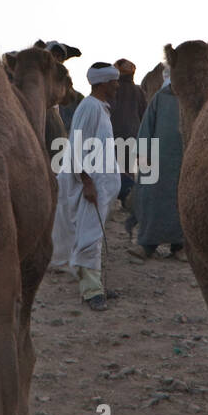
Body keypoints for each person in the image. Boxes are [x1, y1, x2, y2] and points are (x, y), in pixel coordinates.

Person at [50, 63, 121, 310]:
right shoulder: (89, 107)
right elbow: (76, 146)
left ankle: (96, 284)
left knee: (93, 233)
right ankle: (91, 292)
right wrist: (87, 182)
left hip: (99, 184)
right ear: (102, 83)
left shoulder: (101, 109)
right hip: (89, 184)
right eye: (114, 81)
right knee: (89, 235)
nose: (117, 85)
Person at [129, 71, 185, 259]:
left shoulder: (194, 97)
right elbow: (146, 126)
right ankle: (146, 245)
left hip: (184, 162)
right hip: (157, 162)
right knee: (152, 202)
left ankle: (180, 247)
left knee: (181, 204)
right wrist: (143, 155)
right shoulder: (160, 98)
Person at [110, 58, 147, 207]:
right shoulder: (139, 91)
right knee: (128, 169)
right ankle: (127, 200)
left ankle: (117, 198)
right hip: (133, 135)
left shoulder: (112, 89)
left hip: (113, 135)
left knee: (114, 169)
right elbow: (144, 114)